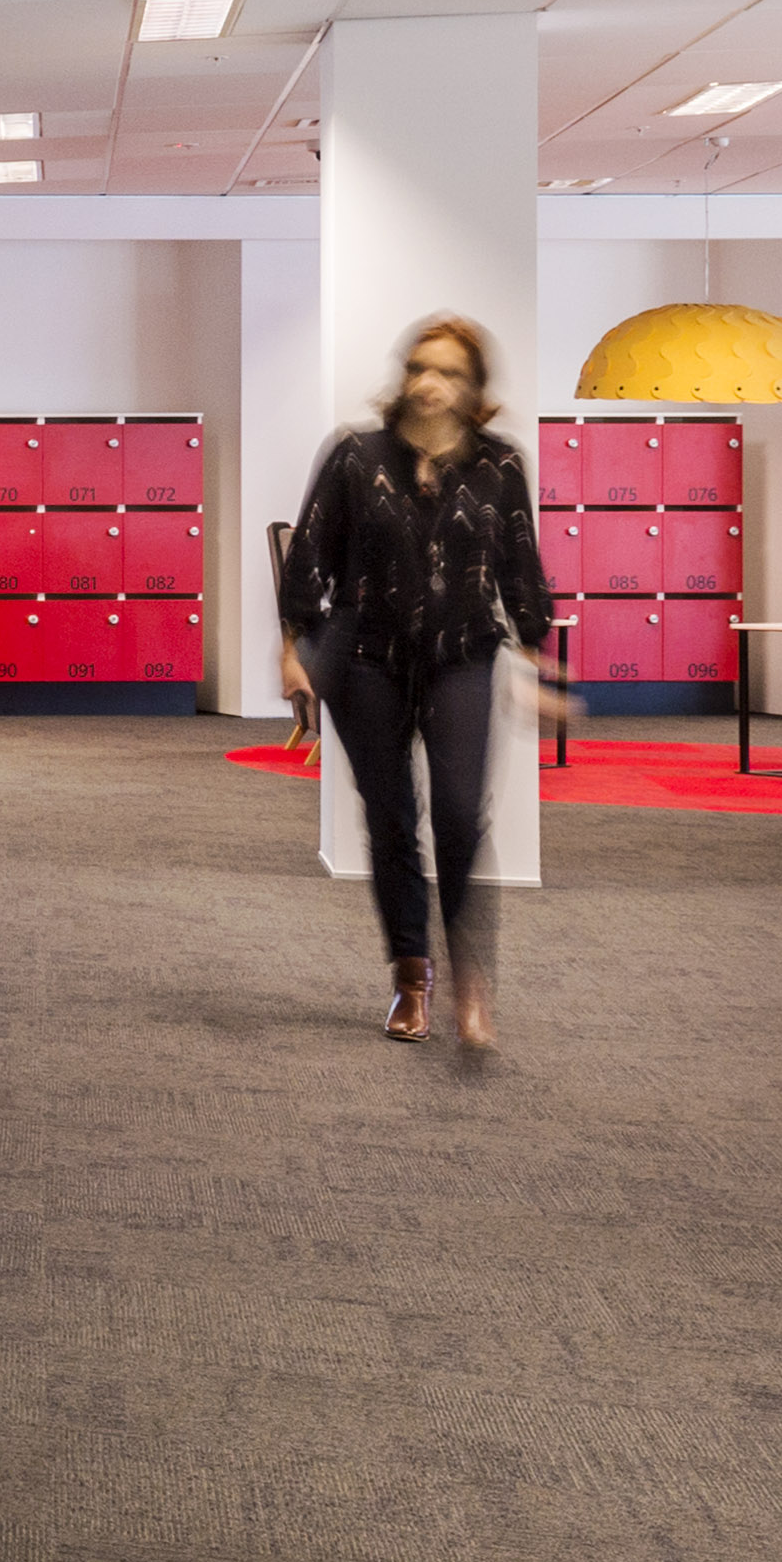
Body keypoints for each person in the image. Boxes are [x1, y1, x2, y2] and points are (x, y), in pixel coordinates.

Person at [275, 311, 568, 1056]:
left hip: (463, 655)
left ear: (475, 391)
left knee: (463, 816)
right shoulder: (356, 456)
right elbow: (310, 555)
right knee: (392, 819)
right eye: (420, 368)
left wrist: (535, 658)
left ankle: (474, 981)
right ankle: (413, 976)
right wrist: (293, 650)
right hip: (366, 657)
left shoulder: (501, 467)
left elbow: (520, 567)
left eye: (449, 373)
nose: (430, 383)